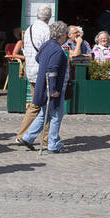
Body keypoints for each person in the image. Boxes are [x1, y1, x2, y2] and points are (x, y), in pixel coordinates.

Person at [18, 20, 70, 154]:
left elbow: (37, 58)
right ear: (61, 35)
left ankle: (28, 137)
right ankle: (53, 145)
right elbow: (52, 70)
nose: (67, 36)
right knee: (56, 115)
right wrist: (53, 90)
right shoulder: (57, 50)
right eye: (65, 34)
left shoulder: (46, 45)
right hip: (52, 88)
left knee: (44, 114)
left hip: (42, 84)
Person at [14, 6, 54, 146]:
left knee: (34, 105)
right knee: (47, 106)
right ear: (49, 17)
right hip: (42, 72)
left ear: (37, 15)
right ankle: (46, 140)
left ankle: (21, 135)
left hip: (31, 70)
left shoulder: (29, 29)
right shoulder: (47, 31)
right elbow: (48, 53)